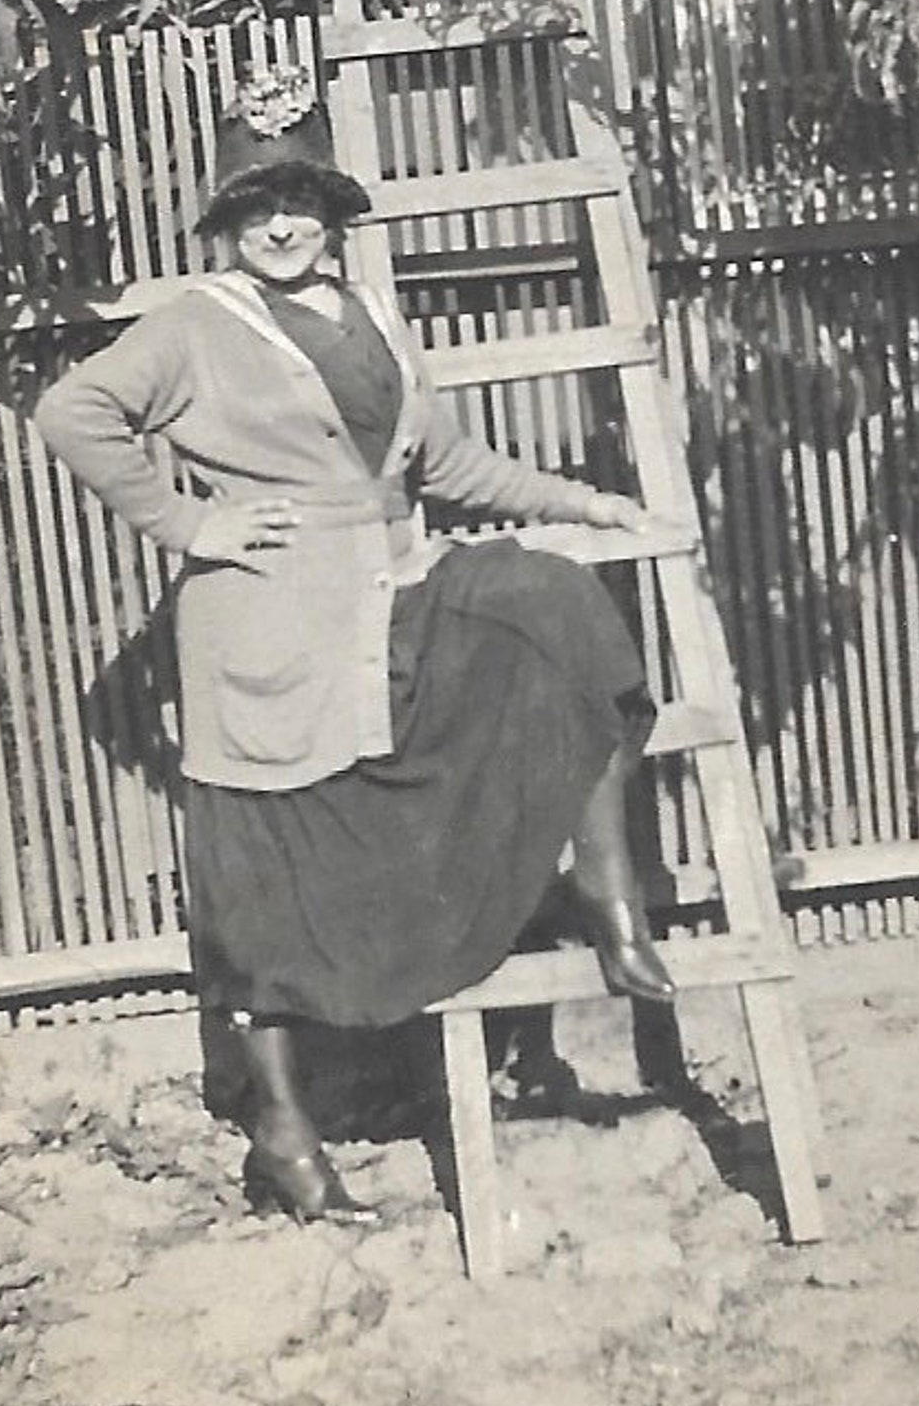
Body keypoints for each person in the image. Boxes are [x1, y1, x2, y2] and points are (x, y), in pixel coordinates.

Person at [35, 67, 674, 1225]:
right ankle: (283, 1133)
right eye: (255, 204)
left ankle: (608, 892)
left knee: (555, 605)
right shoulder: (192, 325)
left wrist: (588, 505)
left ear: (333, 212)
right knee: (268, 875)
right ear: (227, 220)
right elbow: (70, 412)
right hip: (269, 629)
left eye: (302, 200)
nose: (282, 224)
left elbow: (447, 466)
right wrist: (189, 521)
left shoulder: (372, 315)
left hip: (389, 595)